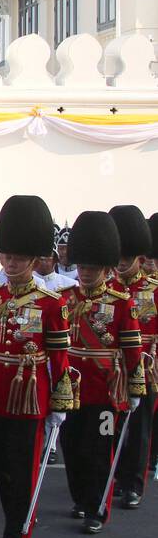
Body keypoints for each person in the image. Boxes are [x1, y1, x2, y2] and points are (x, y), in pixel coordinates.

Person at [0, 195, 72, 538]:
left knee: (23, 466)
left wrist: (60, 401)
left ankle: (15, 535)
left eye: (17, 258)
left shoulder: (51, 303)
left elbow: (59, 357)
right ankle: (18, 512)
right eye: (6, 257)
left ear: (33, 259)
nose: (10, 264)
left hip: (30, 392)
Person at [59, 211, 143, 532]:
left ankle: (98, 508)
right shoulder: (67, 298)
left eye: (91, 268)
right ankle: (81, 499)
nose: (85, 273)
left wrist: (135, 388)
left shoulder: (122, 303)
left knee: (99, 451)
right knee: (72, 446)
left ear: (106, 269)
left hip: (105, 391)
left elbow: (132, 349)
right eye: (82, 267)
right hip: (73, 389)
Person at [111, 205, 157, 507]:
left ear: (139, 258)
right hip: (113, 365)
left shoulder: (153, 289)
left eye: (126, 259)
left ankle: (134, 484)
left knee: (139, 426)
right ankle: (115, 476)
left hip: (145, 362)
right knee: (112, 425)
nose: (121, 263)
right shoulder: (108, 289)